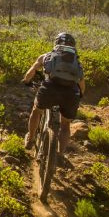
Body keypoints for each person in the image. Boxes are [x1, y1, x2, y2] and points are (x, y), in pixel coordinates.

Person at [21, 32, 85, 161]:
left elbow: (31, 72)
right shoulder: (76, 61)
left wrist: (26, 81)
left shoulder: (47, 56)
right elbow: (82, 83)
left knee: (36, 110)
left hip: (49, 89)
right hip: (71, 93)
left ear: (56, 43)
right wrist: (80, 96)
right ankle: (60, 154)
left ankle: (31, 139)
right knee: (65, 125)